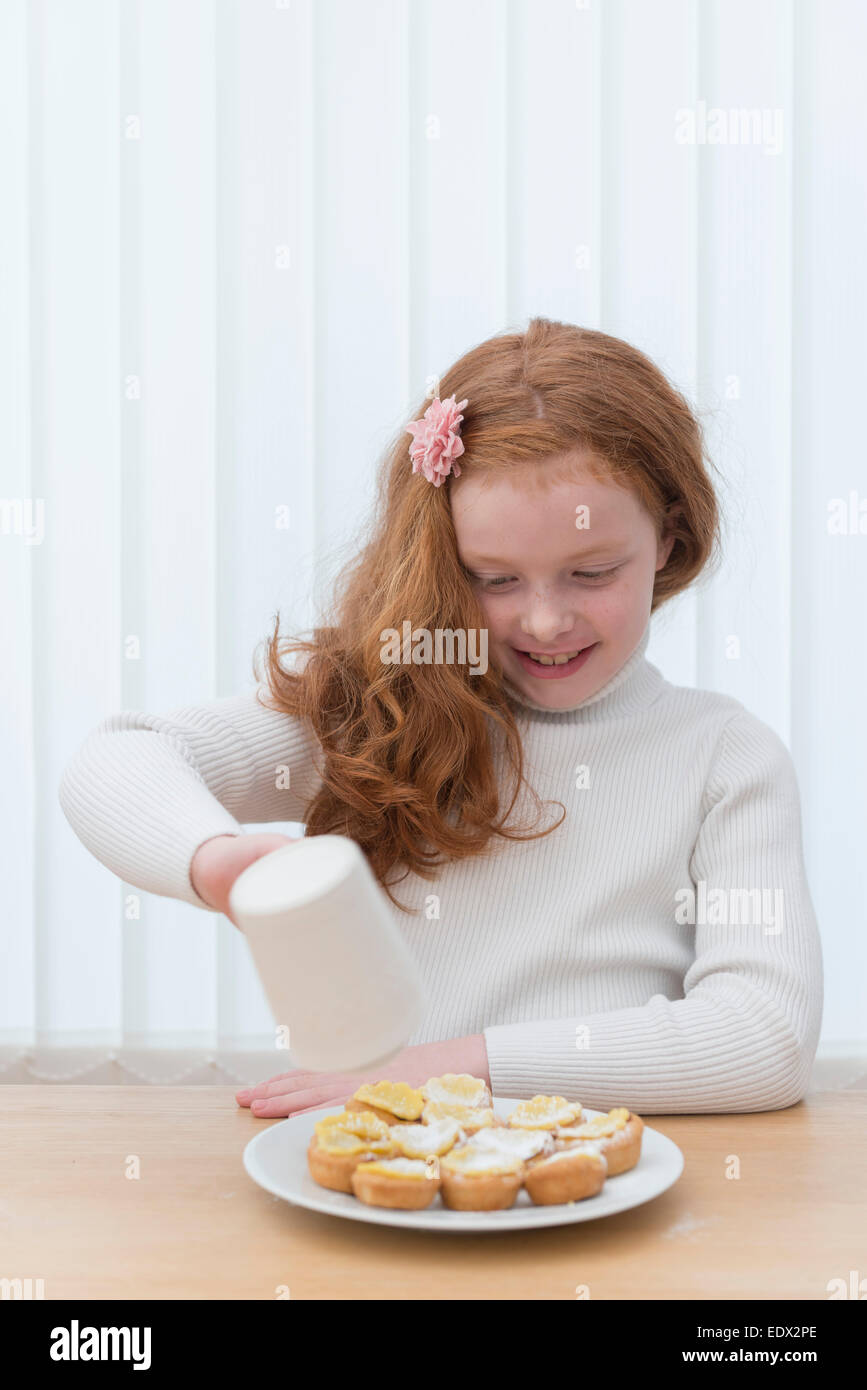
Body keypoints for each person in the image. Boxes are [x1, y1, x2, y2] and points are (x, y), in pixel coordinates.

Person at [58, 317, 823, 1119]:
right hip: (384, 1187)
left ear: (667, 539)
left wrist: (456, 1068)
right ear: (440, 556)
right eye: (492, 579)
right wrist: (216, 863)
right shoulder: (380, 709)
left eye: (590, 572)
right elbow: (117, 762)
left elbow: (764, 1037)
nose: (543, 621)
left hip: (603, 1193)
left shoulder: (724, 758)